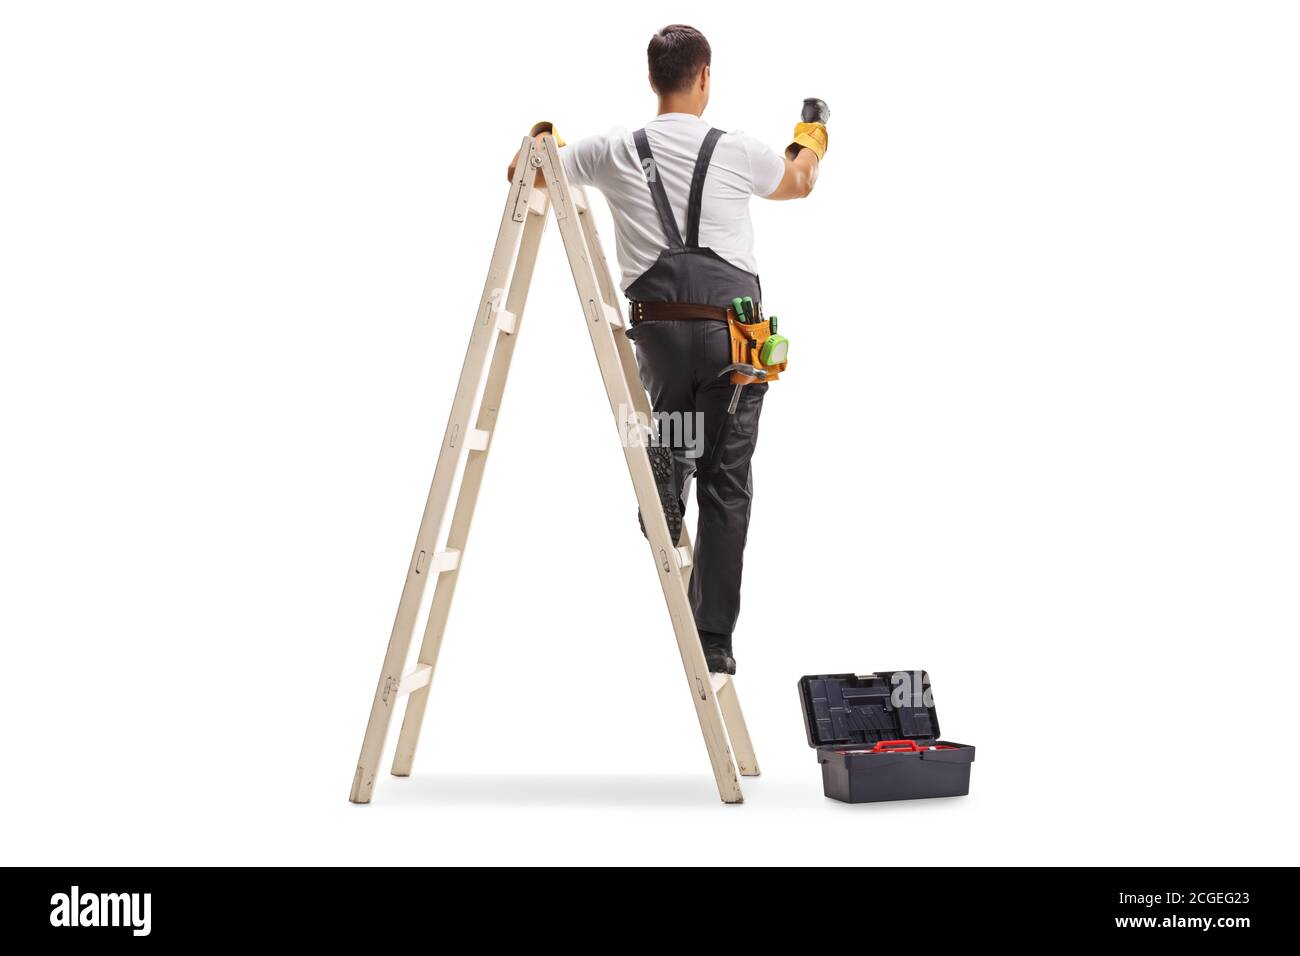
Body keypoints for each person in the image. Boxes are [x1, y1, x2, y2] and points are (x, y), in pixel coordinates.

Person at [509, 24, 826, 673]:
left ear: (653, 79)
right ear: (704, 76)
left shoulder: (613, 150)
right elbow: (800, 182)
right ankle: (713, 638)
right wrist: (812, 135)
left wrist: (545, 136)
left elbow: (525, 174)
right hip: (733, 337)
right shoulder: (738, 148)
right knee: (729, 483)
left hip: (656, 328)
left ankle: (669, 463)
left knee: (673, 408)